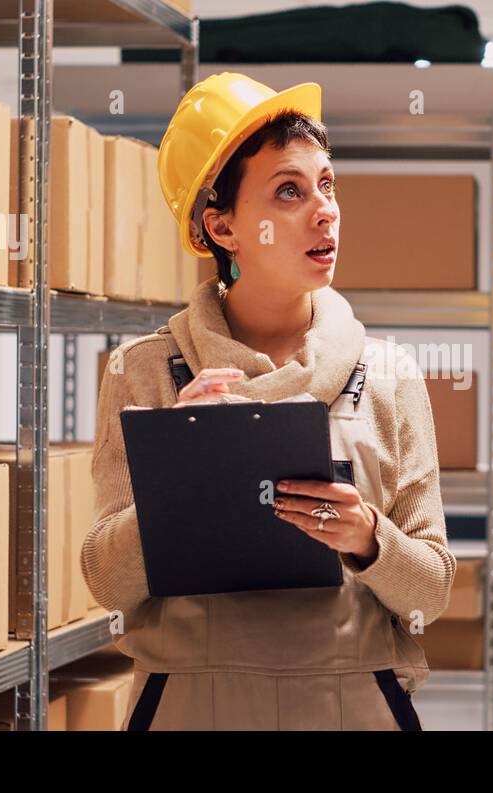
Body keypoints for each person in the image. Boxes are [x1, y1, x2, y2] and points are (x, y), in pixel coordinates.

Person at [82, 73, 455, 730]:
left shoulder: (389, 375)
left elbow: (433, 589)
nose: (325, 210)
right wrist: (184, 464)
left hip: (351, 704)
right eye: (289, 190)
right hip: (193, 707)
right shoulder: (142, 373)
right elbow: (106, 583)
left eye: (327, 184)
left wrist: (368, 538)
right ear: (222, 227)